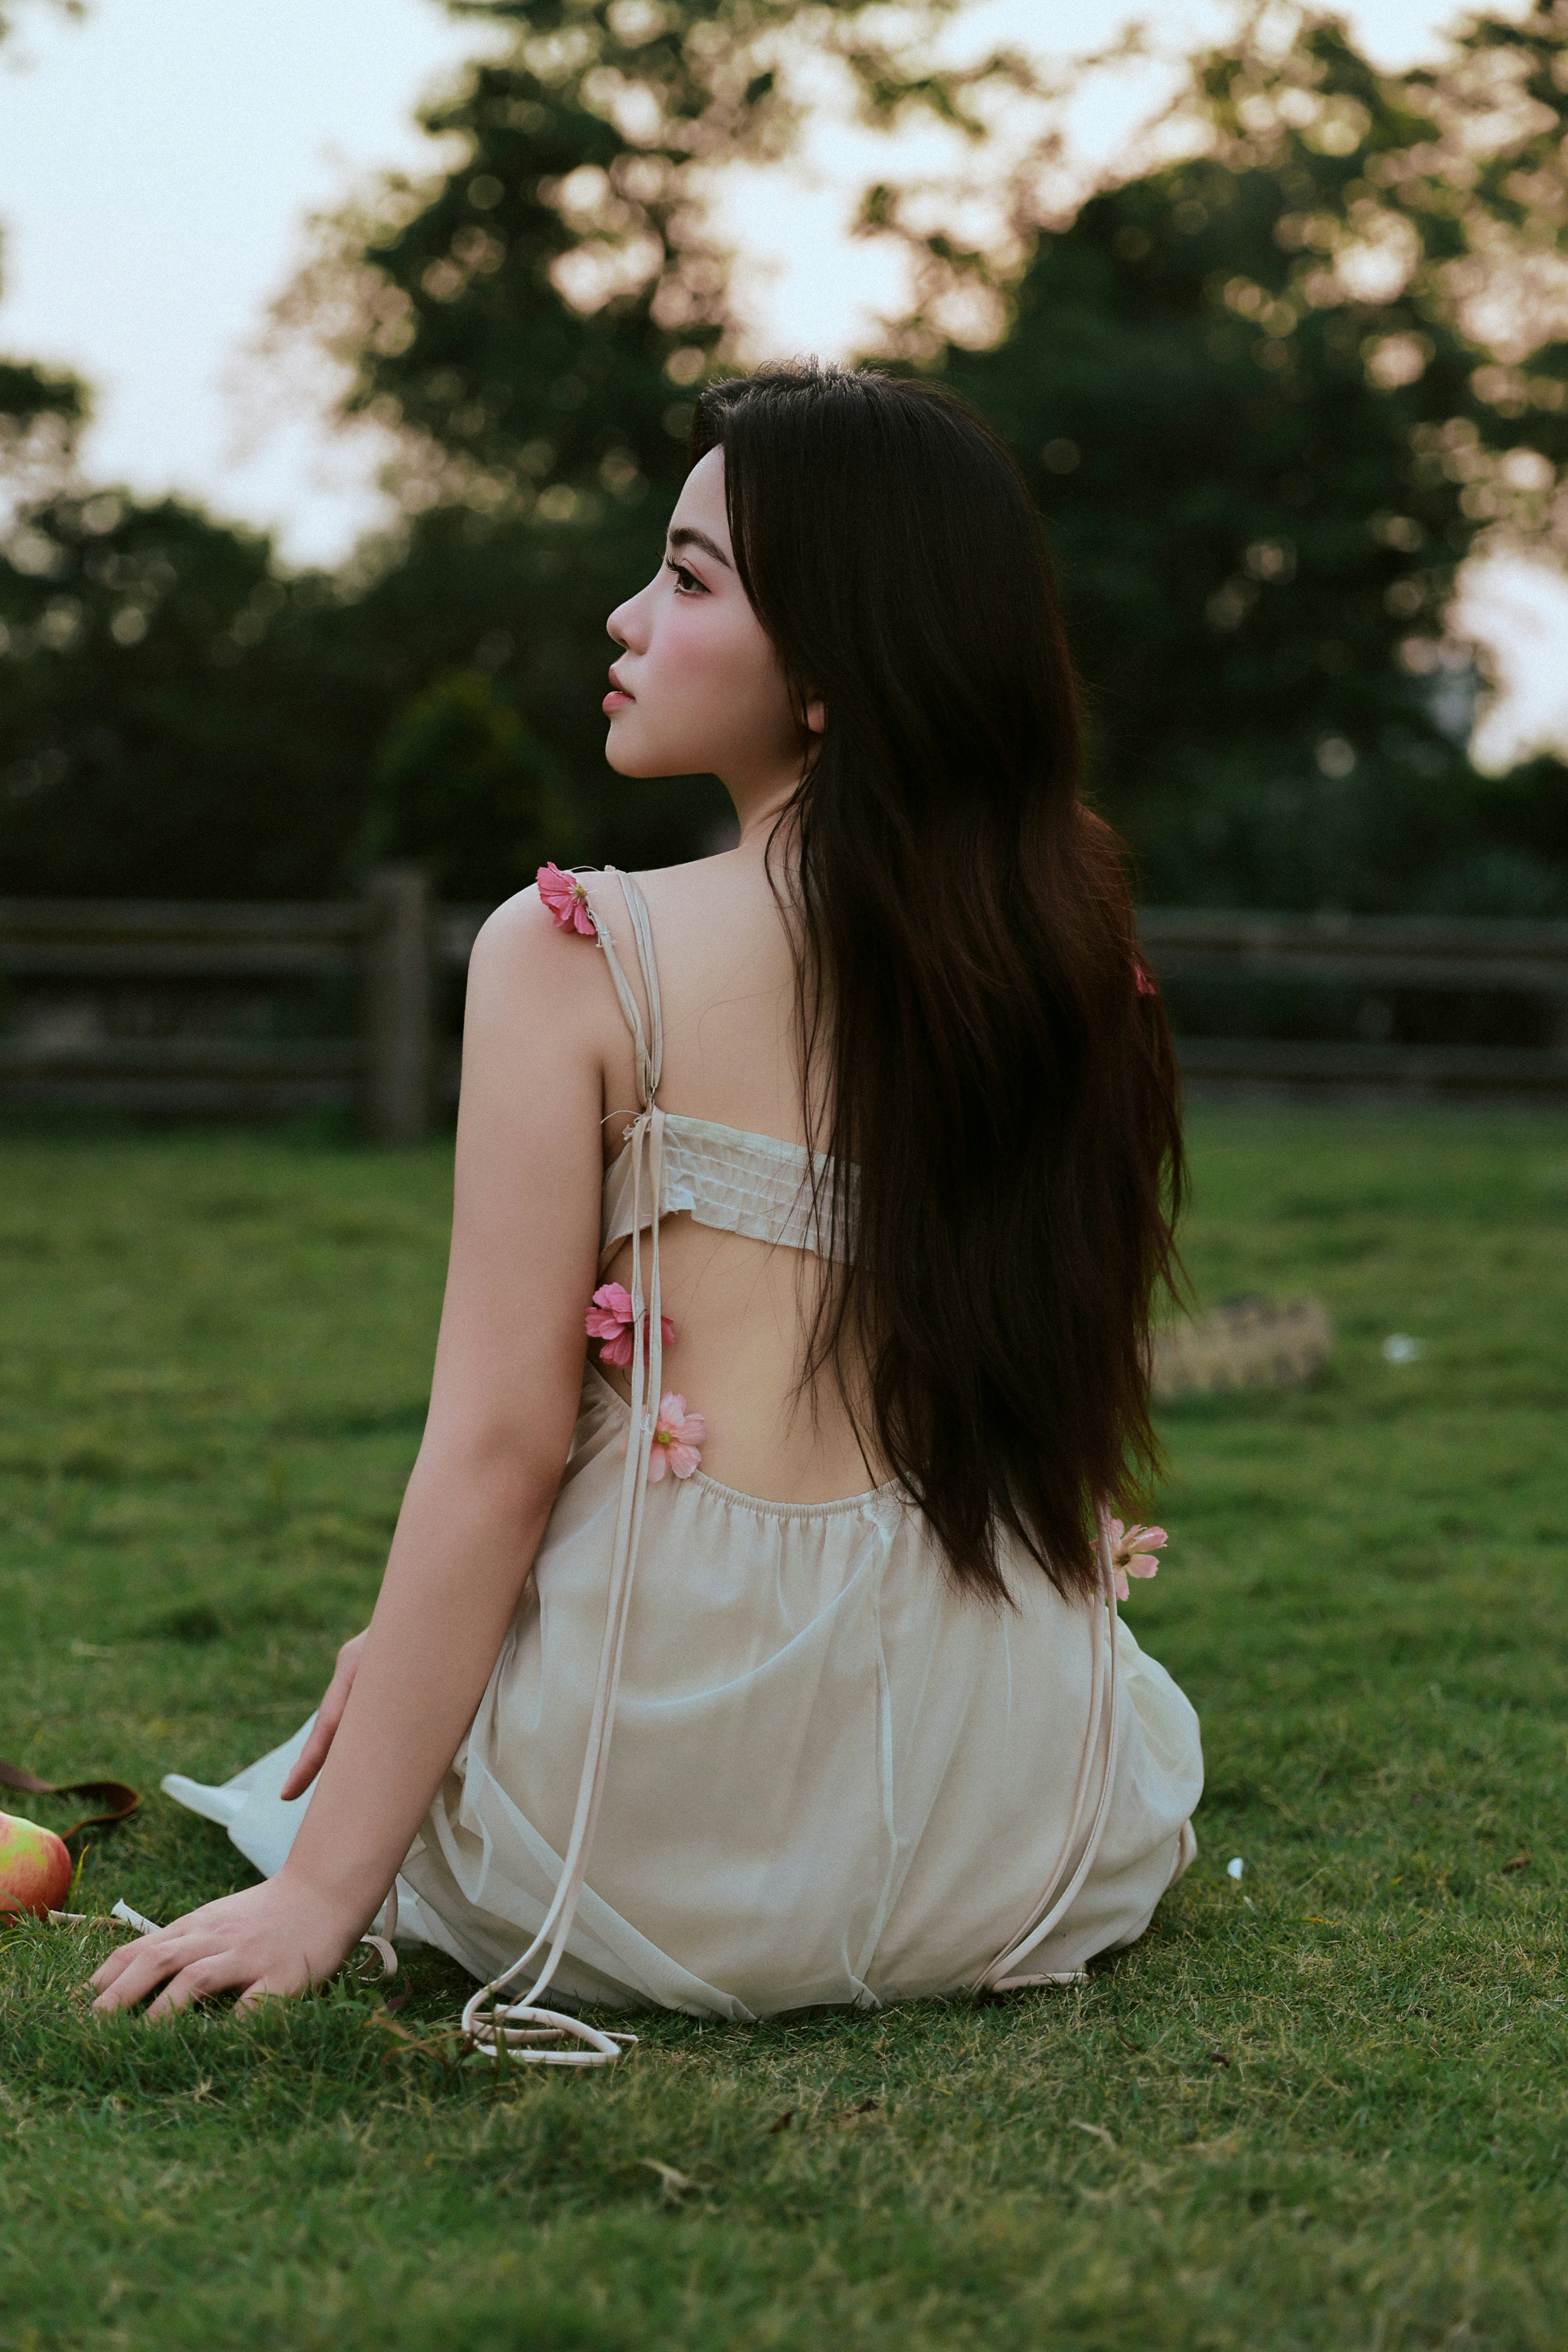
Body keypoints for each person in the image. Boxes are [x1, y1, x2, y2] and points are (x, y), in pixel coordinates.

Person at [93, 363, 1202, 2053]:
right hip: (1001, 1822)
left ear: (829, 667)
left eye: (686, 578)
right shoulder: (1066, 959)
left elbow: (500, 1444)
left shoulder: (568, 955)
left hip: (643, 1833)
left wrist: (325, 1890)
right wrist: (408, 1657)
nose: (625, 616)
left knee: (419, 1710)